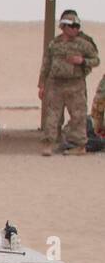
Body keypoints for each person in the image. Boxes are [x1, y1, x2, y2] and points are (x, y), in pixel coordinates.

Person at [38, 10, 99, 156]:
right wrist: (42, 84)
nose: (75, 29)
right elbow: (46, 64)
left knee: (78, 116)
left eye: (77, 26)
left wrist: (82, 61)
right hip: (55, 84)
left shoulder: (83, 44)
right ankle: (48, 143)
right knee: (52, 115)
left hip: (75, 84)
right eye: (72, 26)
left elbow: (96, 60)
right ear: (63, 27)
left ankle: (79, 146)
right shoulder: (54, 44)